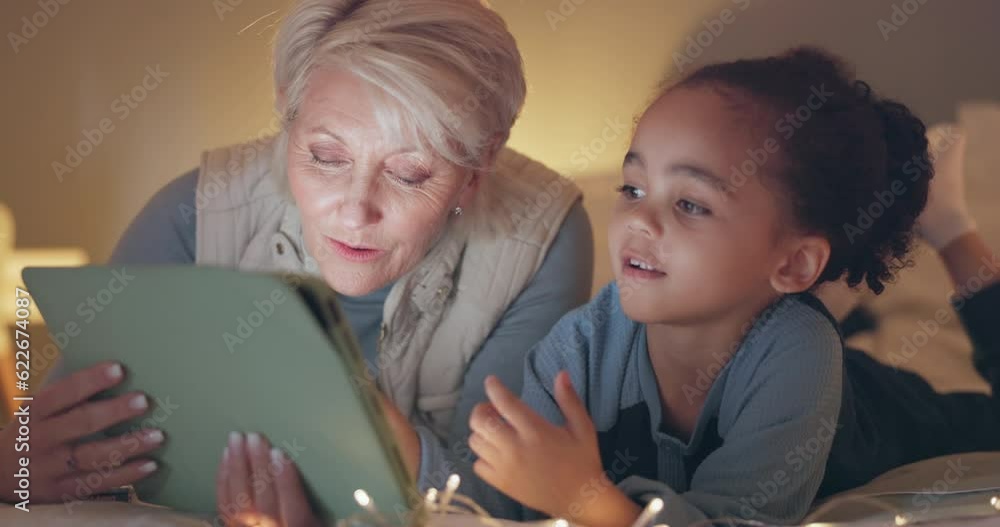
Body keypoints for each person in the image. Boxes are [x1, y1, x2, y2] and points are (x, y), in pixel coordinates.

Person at [213, 47, 1000, 527]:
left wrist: (588, 497)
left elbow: (741, 518)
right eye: (631, 189)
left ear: (794, 261)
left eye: (688, 203)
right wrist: (381, 427)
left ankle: (952, 227)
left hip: (881, 410)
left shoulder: (798, 354)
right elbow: (493, 493)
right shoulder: (593, 332)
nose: (638, 223)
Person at [0, 0, 594, 507]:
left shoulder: (542, 238)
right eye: (327, 157)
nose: (355, 210)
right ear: (289, 111)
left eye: (410, 173)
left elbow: (503, 503)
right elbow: (64, 445)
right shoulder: (194, 213)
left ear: (478, 165)